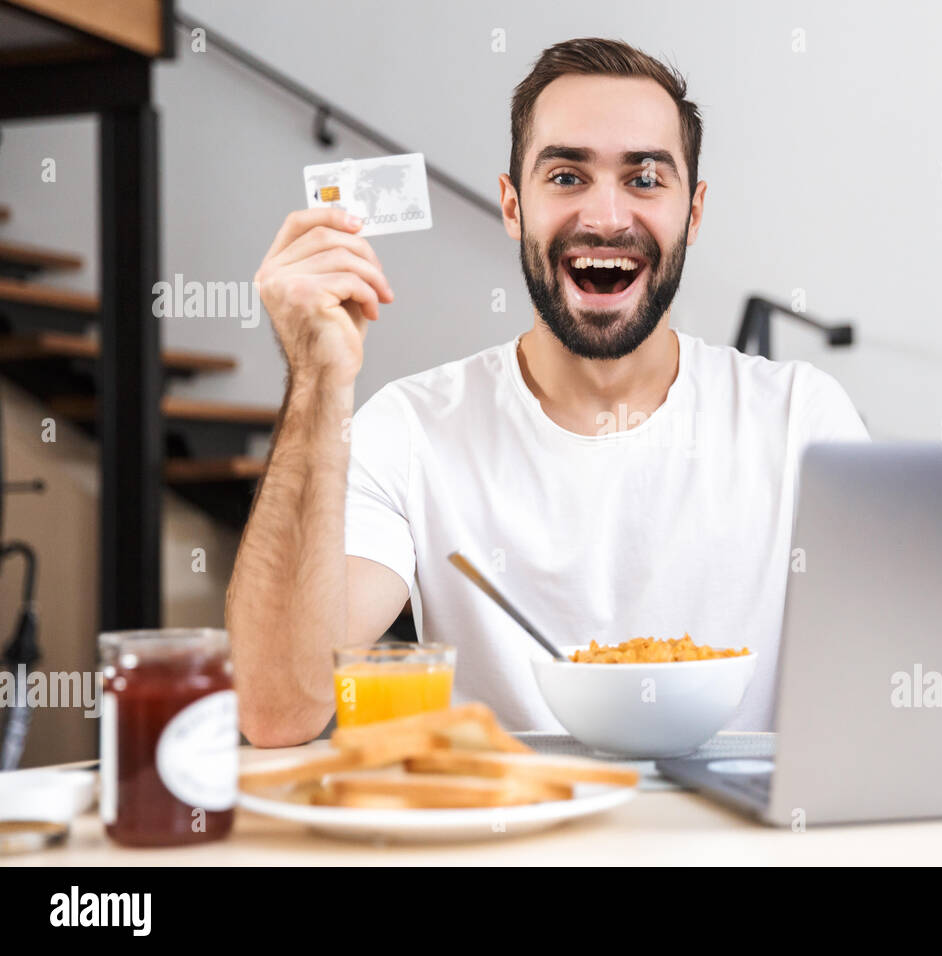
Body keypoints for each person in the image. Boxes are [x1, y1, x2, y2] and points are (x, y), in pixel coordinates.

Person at [227, 37, 868, 746]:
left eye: (646, 178)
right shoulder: (410, 429)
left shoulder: (801, 418)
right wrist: (316, 382)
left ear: (694, 211)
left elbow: (891, 674)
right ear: (511, 205)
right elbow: (280, 711)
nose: (604, 218)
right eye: (566, 176)